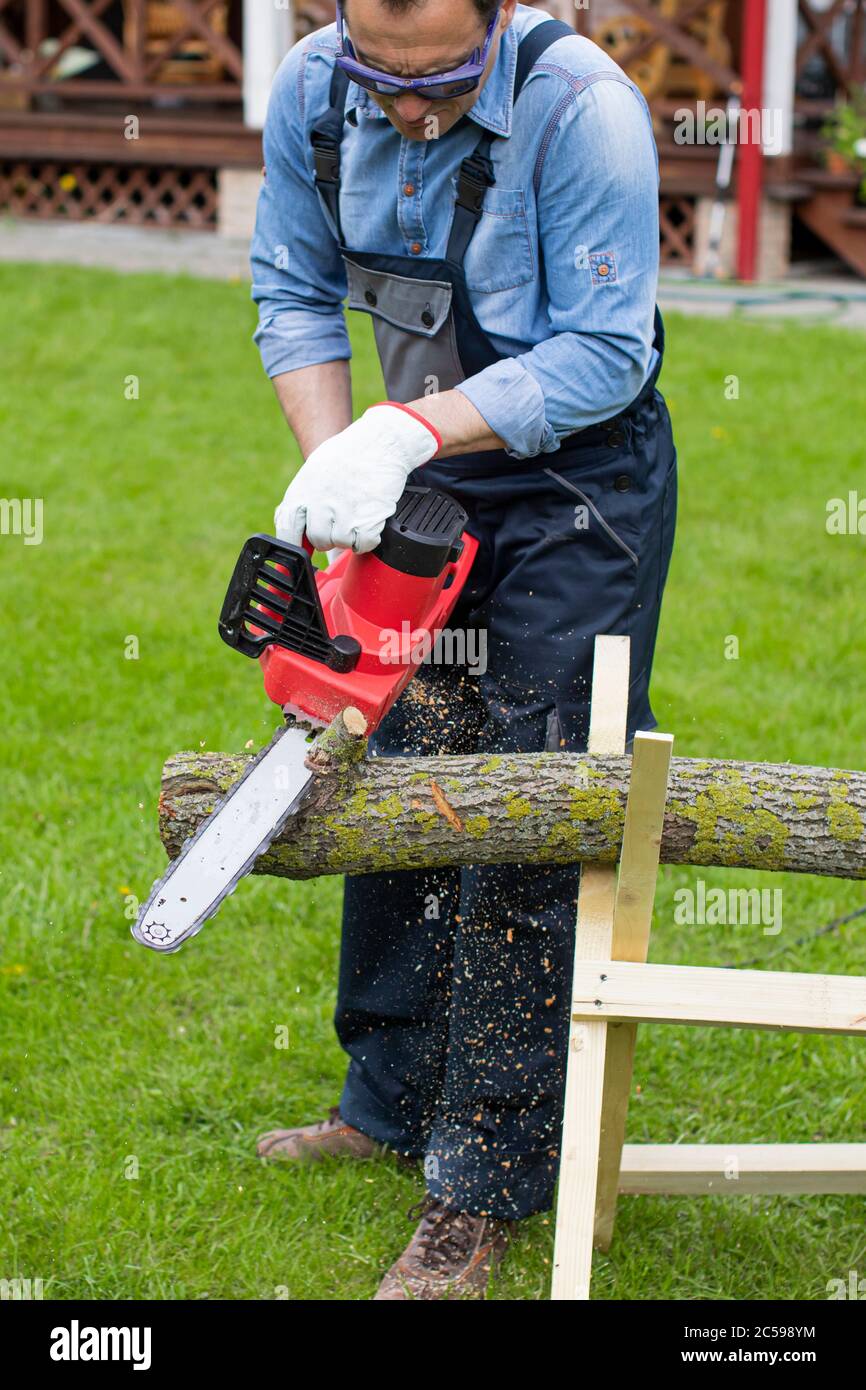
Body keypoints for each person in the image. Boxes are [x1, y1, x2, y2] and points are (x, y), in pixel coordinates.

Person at [250, 0, 677, 1300]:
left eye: (439, 86)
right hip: (420, 466)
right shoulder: (313, 96)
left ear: (495, 19)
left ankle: (481, 1182)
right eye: (388, 86)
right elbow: (289, 287)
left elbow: (604, 352)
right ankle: (383, 1096)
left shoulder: (581, 104)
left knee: (531, 805)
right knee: (402, 769)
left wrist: (404, 435)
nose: (412, 114)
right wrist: (346, 459)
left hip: (573, 484)